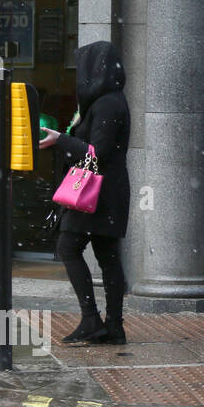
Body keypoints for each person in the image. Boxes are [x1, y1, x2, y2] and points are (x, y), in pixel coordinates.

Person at [38, 41, 131, 345]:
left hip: (95, 192)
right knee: (107, 256)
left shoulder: (107, 104)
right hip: (107, 191)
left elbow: (97, 154)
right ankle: (113, 326)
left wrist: (59, 141)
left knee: (68, 247)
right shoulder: (109, 101)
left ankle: (92, 319)